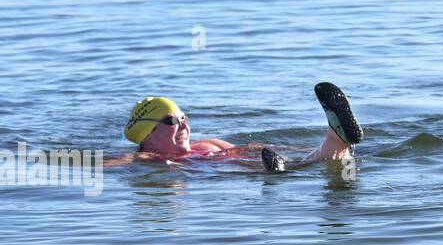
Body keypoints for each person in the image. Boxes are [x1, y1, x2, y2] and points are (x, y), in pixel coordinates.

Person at [115, 82, 363, 171]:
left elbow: (252, 147)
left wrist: (295, 147)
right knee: (261, 168)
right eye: (171, 121)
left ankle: (334, 138)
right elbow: (106, 162)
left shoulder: (208, 144)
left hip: (263, 164)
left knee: (273, 160)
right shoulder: (147, 158)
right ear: (147, 136)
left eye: (184, 118)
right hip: (241, 173)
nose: (182, 125)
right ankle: (335, 141)